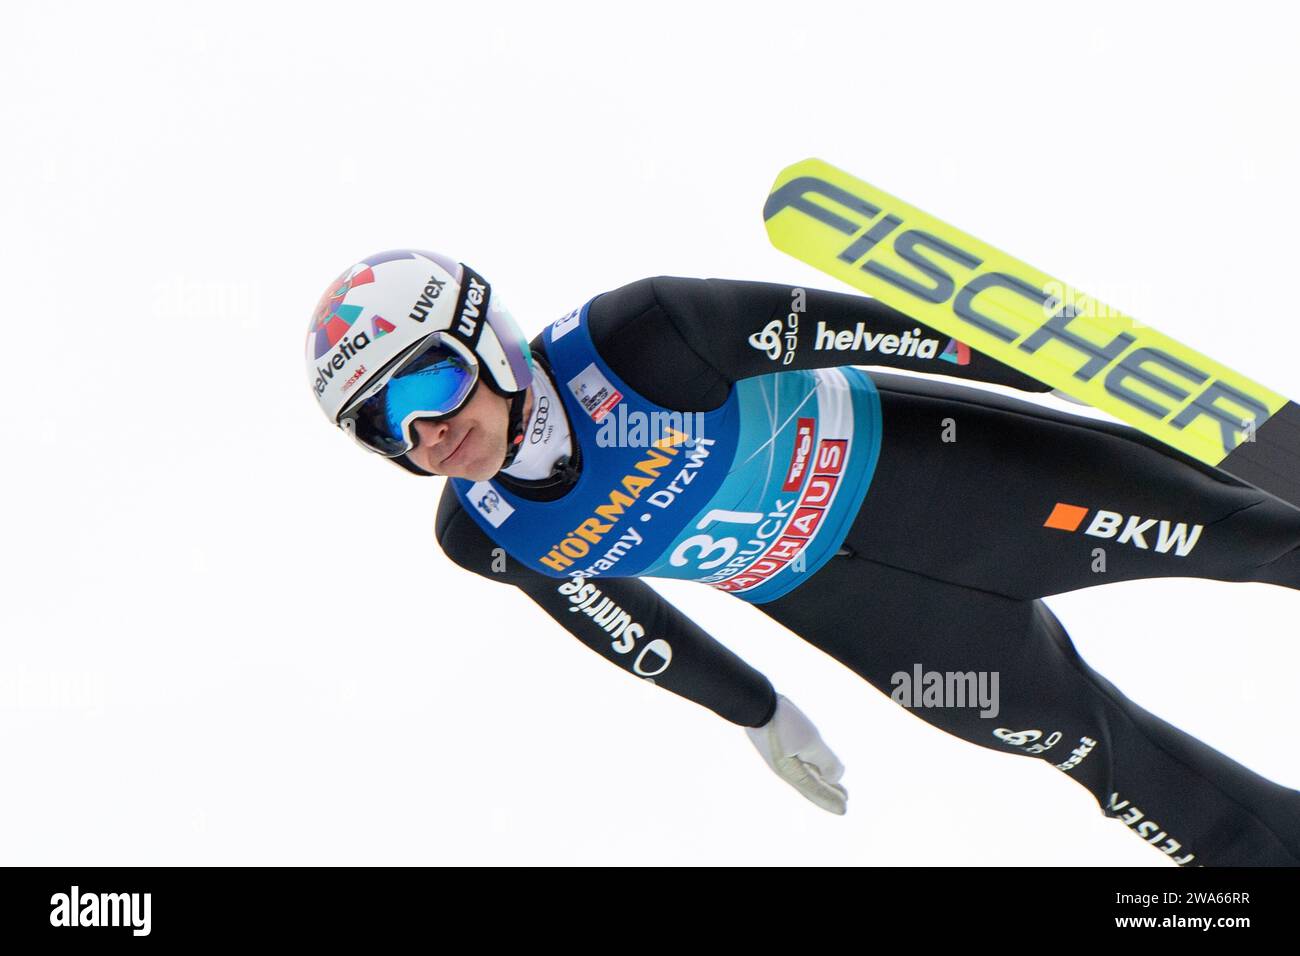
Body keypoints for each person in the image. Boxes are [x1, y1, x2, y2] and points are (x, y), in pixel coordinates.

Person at [306, 248, 1300, 865]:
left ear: (484, 337)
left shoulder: (644, 338)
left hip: (959, 484)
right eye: (381, 428)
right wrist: (757, 707)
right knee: (1109, 764)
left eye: (419, 390)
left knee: (1259, 538)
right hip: (887, 624)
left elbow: (910, 336)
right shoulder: (483, 532)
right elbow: (613, 620)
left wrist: (1069, 356)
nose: (423, 435)